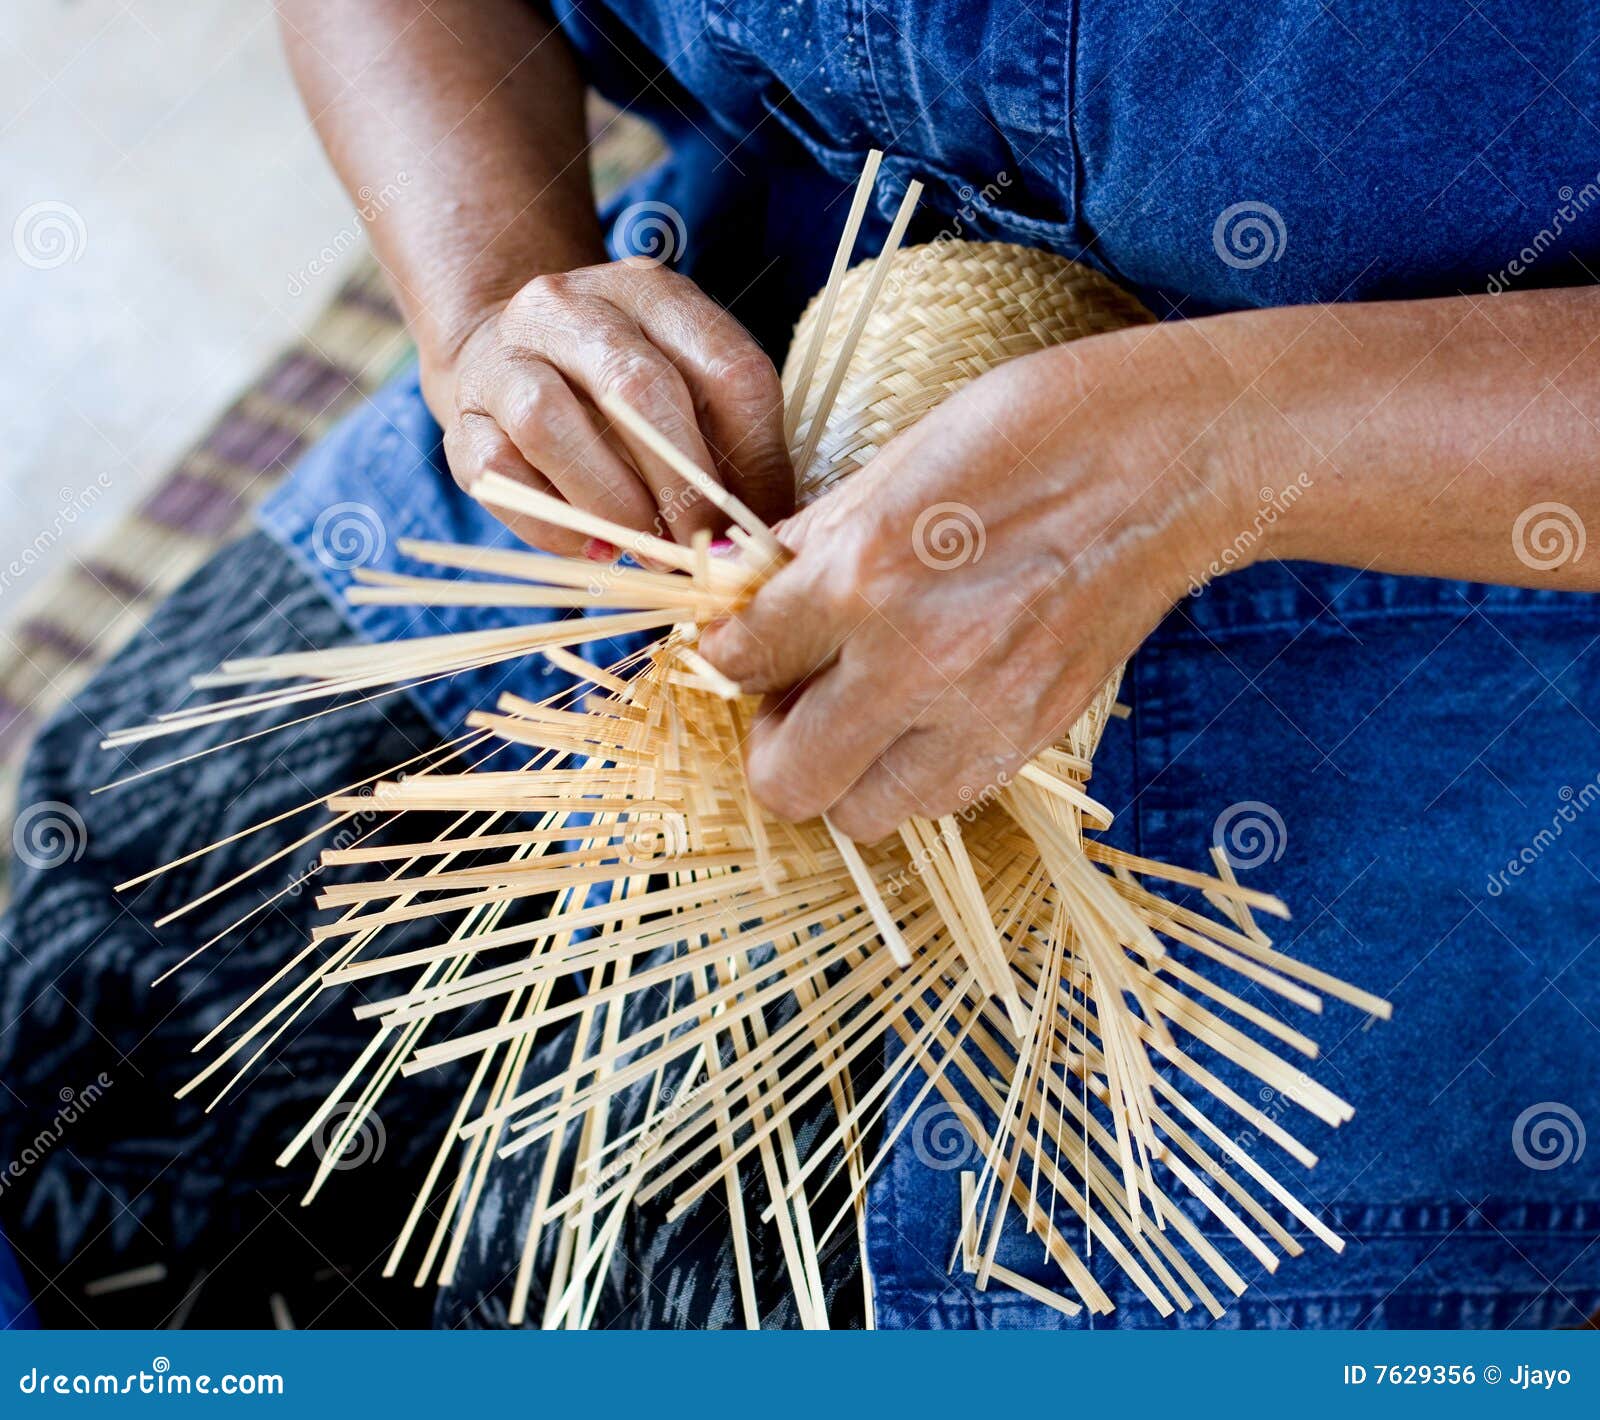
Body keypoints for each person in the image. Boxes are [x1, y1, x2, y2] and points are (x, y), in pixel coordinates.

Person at [3, 0, 1596, 1328]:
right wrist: (491, 299)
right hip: (723, 373)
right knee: (93, 1054)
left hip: (1447, 536)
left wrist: (1218, 451)